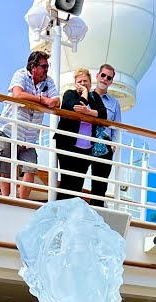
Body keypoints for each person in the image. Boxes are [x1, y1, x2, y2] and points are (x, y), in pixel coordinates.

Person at [0, 51, 59, 199]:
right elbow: (18, 94)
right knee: (6, 169)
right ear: (33, 67)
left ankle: (20, 201)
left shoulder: (48, 81)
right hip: (9, 129)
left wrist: (51, 101)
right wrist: (42, 100)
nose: (46, 70)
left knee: (30, 170)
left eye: (47, 66)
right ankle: (6, 199)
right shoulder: (21, 74)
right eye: (43, 66)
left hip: (29, 138)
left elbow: (57, 100)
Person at [54, 68, 107, 201]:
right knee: (67, 182)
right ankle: (60, 213)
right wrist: (84, 94)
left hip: (86, 148)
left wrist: (89, 112)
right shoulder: (69, 94)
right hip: (67, 144)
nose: (83, 83)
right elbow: (77, 107)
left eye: (85, 81)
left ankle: (71, 215)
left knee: (78, 185)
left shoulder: (95, 98)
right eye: (80, 81)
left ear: (90, 82)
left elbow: (103, 115)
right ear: (75, 83)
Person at [91, 63, 123, 205]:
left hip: (105, 144)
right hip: (86, 140)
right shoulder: (87, 96)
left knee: (100, 184)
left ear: (111, 82)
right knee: (77, 177)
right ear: (97, 76)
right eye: (103, 75)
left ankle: (95, 213)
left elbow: (117, 126)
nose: (104, 79)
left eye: (108, 78)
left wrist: (113, 145)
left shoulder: (114, 104)